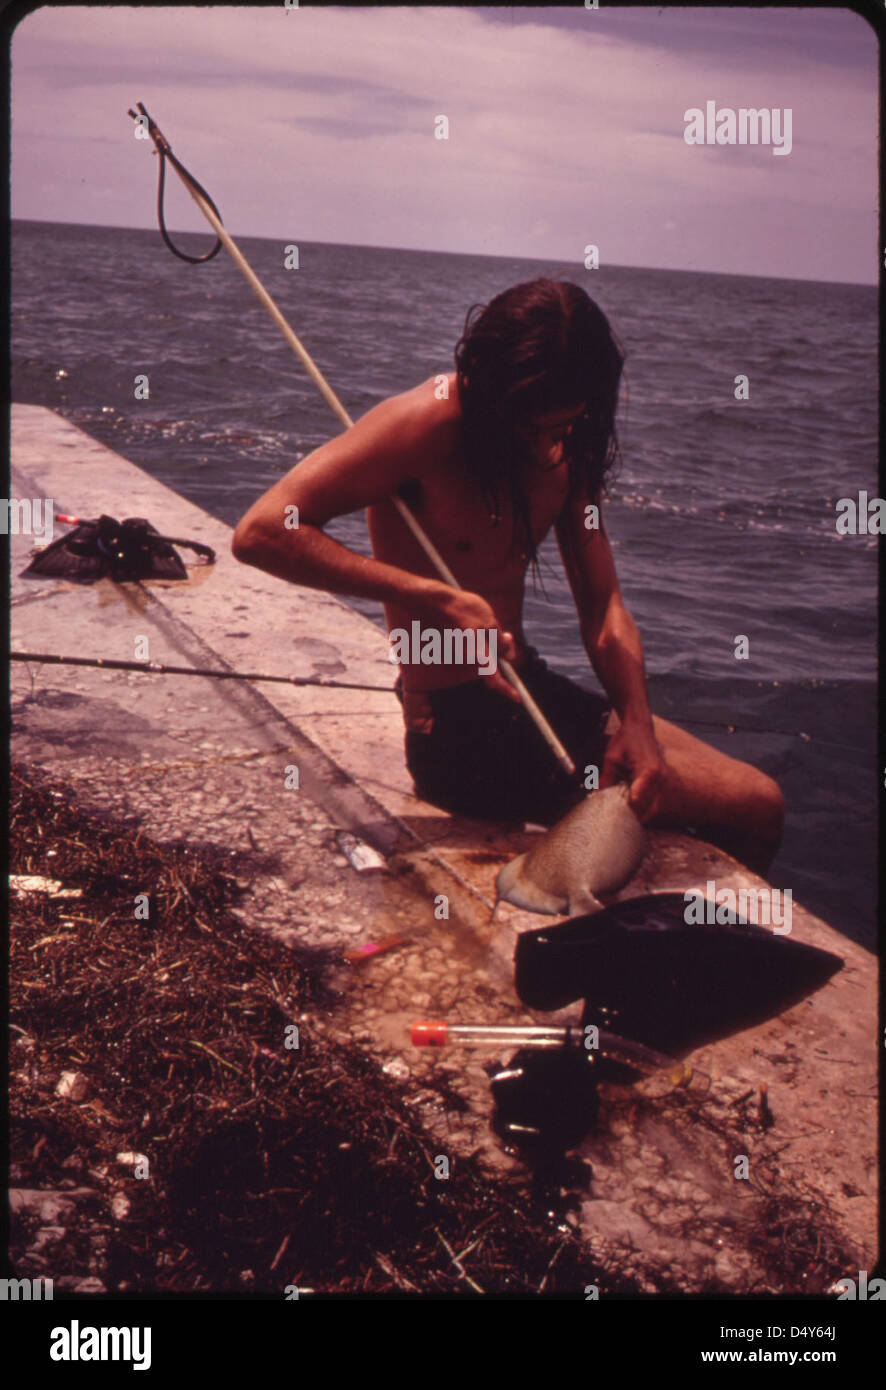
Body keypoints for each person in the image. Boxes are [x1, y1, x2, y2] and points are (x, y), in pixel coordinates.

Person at [232, 278, 784, 875]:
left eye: (560, 424)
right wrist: (437, 598)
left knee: (744, 792)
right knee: (756, 804)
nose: (543, 442)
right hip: (458, 731)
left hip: (532, 690)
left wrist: (638, 722)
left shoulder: (569, 438)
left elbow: (603, 606)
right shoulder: (425, 423)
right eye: (529, 424)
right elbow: (263, 531)